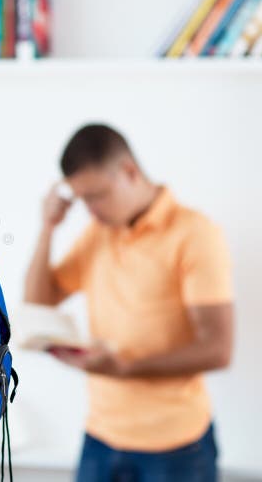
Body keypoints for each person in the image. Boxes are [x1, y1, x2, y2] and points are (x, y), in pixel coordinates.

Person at [24, 124, 234, 481]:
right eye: (82, 199)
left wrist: (123, 367)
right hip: (100, 438)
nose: (89, 210)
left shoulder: (195, 234)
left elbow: (217, 349)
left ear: (129, 172)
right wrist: (48, 228)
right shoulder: (99, 234)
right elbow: (39, 304)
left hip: (177, 449)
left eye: (96, 196)